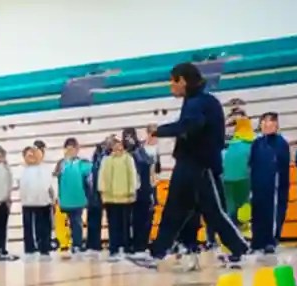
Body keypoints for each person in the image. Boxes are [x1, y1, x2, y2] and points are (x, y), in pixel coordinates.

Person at [129, 63, 249, 269]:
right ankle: (157, 254)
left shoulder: (199, 102)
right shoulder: (196, 100)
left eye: (173, 81)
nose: (171, 86)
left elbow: (191, 125)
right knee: (176, 211)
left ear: (183, 80)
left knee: (211, 212)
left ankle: (241, 249)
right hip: (190, 164)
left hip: (199, 165)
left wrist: (160, 130)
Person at [249, 112, 291, 257]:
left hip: (274, 186)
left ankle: (270, 240)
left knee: (272, 213)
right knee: (257, 212)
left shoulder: (281, 143)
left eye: (271, 121)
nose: (267, 124)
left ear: (276, 125)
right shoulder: (257, 143)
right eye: (264, 121)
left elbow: (283, 166)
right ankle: (257, 241)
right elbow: (251, 164)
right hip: (258, 185)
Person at [99, 138, 138, 260]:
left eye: (119, 145)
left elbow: (133, 175)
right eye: (114, 146)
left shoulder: (128, 159)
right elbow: (102, 176)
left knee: (125, 224)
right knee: (113, 224)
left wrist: (133, 190)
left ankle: (126, 248)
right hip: (110, 198)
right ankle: (114, 249)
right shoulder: (107, 160)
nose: (117, 148)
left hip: (126, 197)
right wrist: (102, 191)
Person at [53, 138, 92, 256]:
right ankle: (65, 243)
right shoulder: (61, 164)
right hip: (64, 200)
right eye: (68, 148)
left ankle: (77, 245)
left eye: (73, 148)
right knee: (65, 223)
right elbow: (56, 178)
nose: (71, 151)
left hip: (78, 199)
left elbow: (89, 175)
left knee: (77, 222)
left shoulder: (82, 163)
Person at [123, 128, 157, 257]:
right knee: (132, 220)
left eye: (131, 137)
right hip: (131, 192)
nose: (129, 140)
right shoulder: (126, 155)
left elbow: (150, 169)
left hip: (144, 190)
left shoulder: (141, 152)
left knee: (144, 218)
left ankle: (141, 245)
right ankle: (133, 246)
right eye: (126, 137)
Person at [18, 146, 55, 258]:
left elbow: (50, 186)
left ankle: (44, 248)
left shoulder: (45, 169)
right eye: (29, 155)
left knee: (43, 227)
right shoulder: (22, 170)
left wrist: (52, 199)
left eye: (34, 154)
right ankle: (29, 249)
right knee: (28, 227)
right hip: (28, 203)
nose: (32, 157)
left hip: (43, 202)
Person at [222, 116, 254, 232]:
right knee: (232, 209)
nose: (231, 128)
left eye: (233, 124)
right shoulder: (225, 143)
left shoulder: (250, 142)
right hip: (229, 180)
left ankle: (241, 233)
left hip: (242, 179)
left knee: (241, 208)